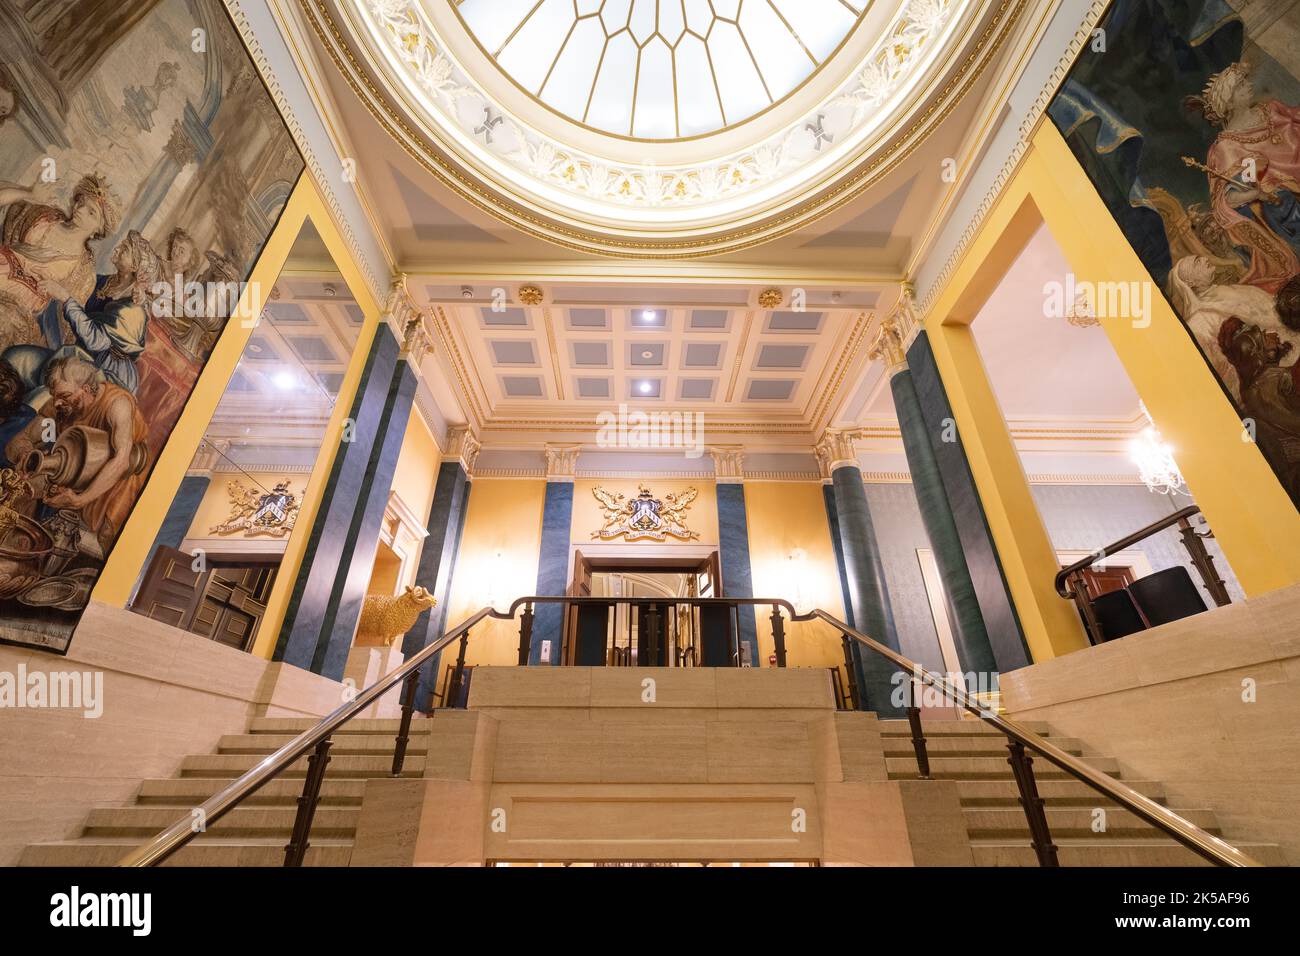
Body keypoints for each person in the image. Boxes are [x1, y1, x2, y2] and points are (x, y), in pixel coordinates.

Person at [4, 354, 148, 550]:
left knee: (108, 538)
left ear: (86, 390)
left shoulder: (117, 404)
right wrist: (25, 454)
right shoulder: (60, 408)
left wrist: (81, 500)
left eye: (64, 396)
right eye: (54, 396)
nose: (56, 403)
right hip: (73, 472)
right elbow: (21, 440)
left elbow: (121, 459)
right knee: (23, 489)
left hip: (120, 479)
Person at [1188, 62, 1300, 293]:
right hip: (1283, 204)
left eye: (1245, 82)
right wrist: (1256, 192)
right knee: (1283, 205)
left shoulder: (1271, 109)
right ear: (1228, 102)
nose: (1248, 86)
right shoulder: (1228, 147)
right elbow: (1227, 201)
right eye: (1240, 86)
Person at [0, 173, 116, 352]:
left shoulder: (84, 272)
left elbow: (64, 327)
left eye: (91, 212)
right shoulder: (46, 217)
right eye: (81, 202)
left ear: (99, 229)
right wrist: (29, 193)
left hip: (17, 309)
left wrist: (59, 294)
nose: (80, 210)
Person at [1167, 254, 1296, 400]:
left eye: (1201, 258)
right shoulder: (1201, 317)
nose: (1205, 259)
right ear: (1190, 282)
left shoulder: (1223, 290)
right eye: (1197, 262)